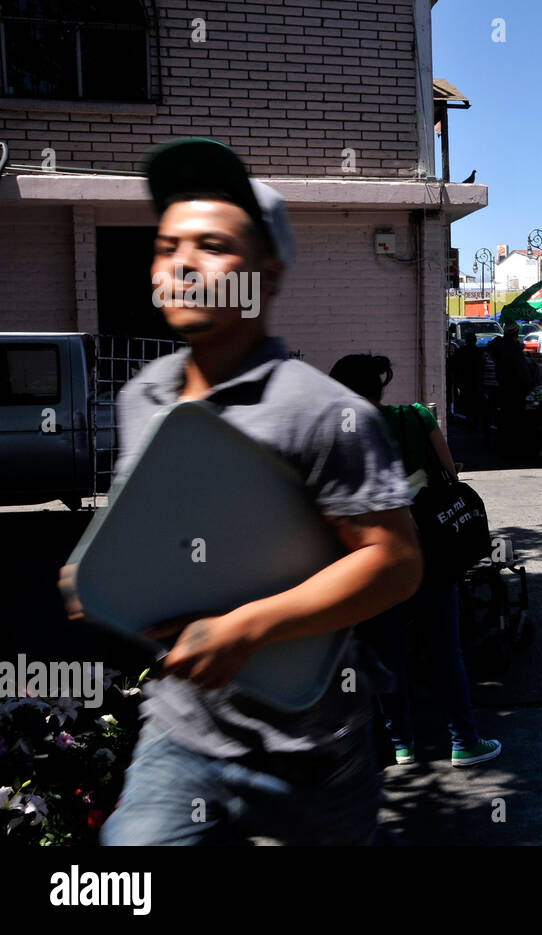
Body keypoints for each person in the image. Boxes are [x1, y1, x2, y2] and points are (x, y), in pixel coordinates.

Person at [76, 138, 424, 845]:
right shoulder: (141, 395)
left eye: (210, 244)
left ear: (265, 273)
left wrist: (247, 627)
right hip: (179, 736)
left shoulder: (327, 412)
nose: (180, 261)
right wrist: (105, 574)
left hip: (314, 754)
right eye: (166, 243)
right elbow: (153, 526)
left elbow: (396, 562)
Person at [328, 354, 502, 770]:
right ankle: (464, 741)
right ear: (380, 386)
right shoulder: (417, 416)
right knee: (445, 650)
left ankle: (401, 745)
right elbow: (450, 476)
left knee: (389, 652)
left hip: (372, 558)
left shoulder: (339, 433)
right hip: (430, 552)